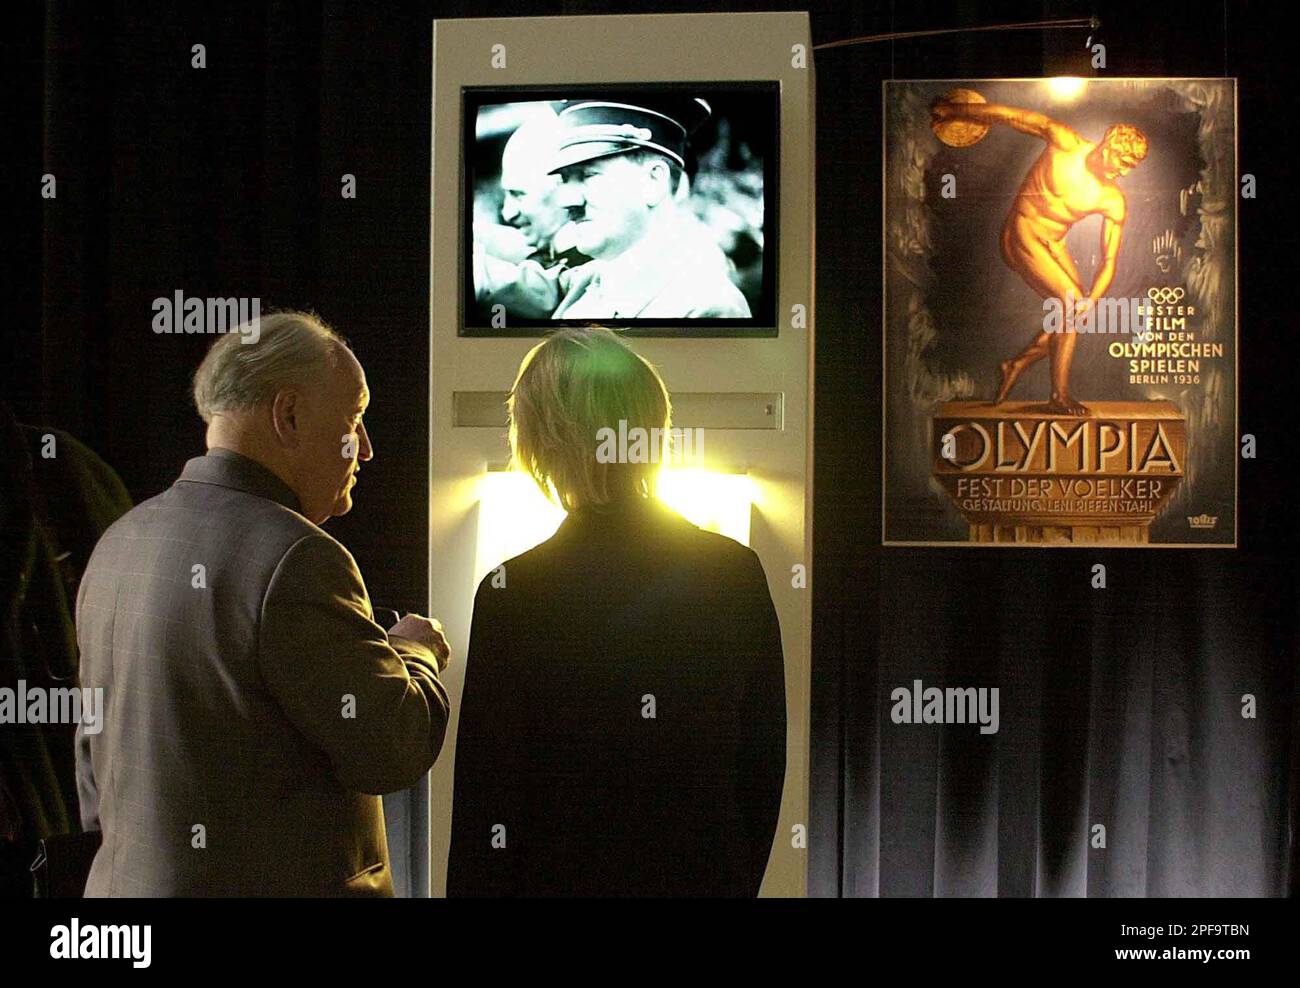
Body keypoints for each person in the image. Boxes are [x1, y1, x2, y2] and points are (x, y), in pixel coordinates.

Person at [74, 311, 452, 896]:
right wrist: (414, 654)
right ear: (289, 415)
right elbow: (390, 747)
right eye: (355, 419)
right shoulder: (299, 557)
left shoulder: (118, 541)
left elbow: (92, 773)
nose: (366, 449)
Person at [447, 326, 785, 896]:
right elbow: (760, 774)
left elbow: (489, 806)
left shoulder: (511, 593)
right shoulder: (735, 573)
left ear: (541, 444)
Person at [931, 96, 1148, 415]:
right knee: (1070, 304)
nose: (1125, 173)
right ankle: (1059, 396)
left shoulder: (1113, 199)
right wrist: (955, 111)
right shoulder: (1065, 142)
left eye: (1131, 167)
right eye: (1123, 162)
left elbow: (1109, 261)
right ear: (1108, 146)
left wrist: (1094, 300)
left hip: (1053, 246)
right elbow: (1010, 115)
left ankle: (1016, 364)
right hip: (1020, 233)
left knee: (1074, 314)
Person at [473, 108, 590, 319]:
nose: (507, 213)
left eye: (518, 194)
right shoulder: (550, 254)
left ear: (564, 188)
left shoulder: (593, 268)